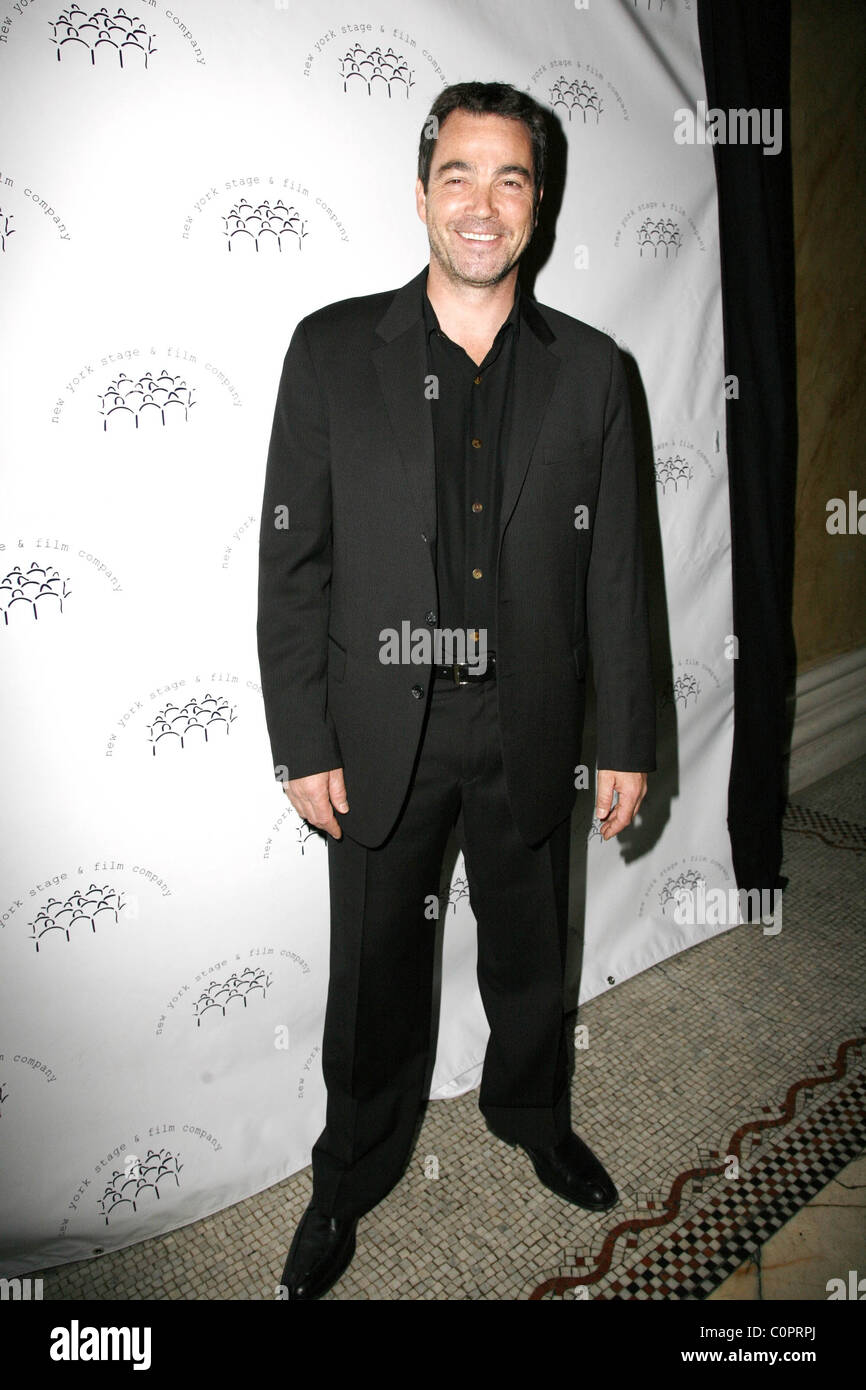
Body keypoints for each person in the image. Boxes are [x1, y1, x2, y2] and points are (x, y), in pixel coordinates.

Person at [257, 81, 656, 1300]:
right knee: (374, 969)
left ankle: (531, 1111)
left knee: (533, 950)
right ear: (422, 191)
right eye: (459, 176)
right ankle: (351, 1169)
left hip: (532, 720)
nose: (483, 205)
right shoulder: (330, 349)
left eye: (511, 179)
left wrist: (627, 736)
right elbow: (294, 557)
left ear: (538, 203)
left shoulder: (594, 371)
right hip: (381, 726)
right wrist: (300, 738)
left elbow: (619, 572)